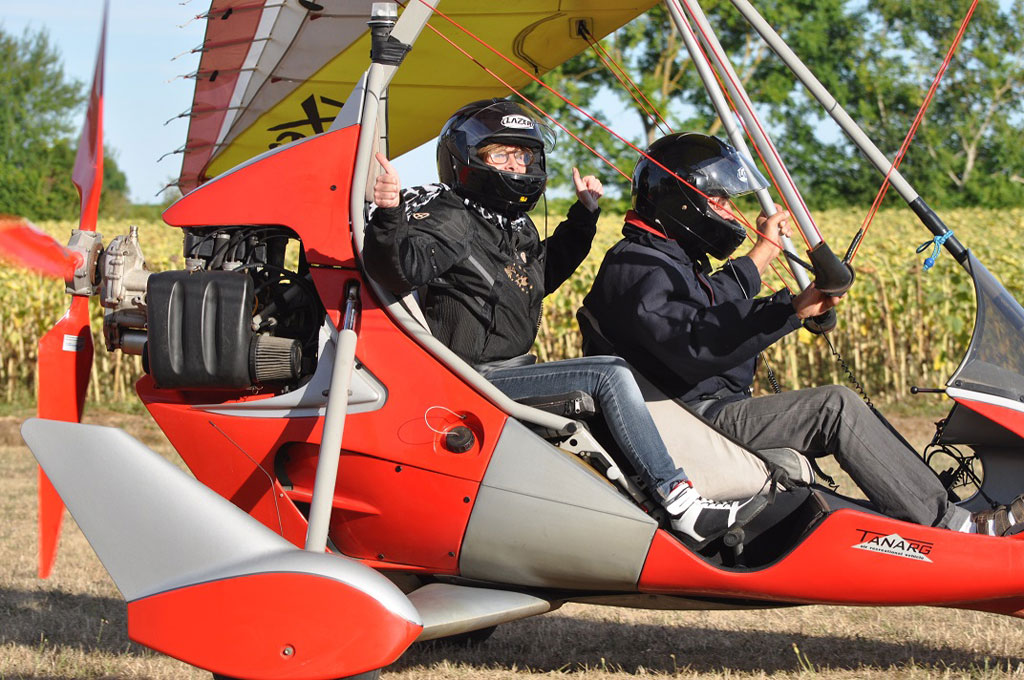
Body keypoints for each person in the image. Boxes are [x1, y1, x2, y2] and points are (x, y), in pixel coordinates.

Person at [364, 99, 767, 546]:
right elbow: (399, 269)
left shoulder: (510, 225)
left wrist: (583, 216)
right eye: (501, 154)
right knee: (608, 373)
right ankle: (680, 502)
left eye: (523, 155)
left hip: (508, 372)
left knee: (608, 379)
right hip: (469, 380)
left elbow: (538, 278)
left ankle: (640, 503)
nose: (516, 165)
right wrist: (388, 216)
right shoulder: (452, 216)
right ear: (467, 160)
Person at [581, 131, 1024, 536]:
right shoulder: (636, 265)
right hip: (691, 421)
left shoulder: (661, 258)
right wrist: (790, 310)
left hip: (701, 411)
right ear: (683, 202)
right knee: (833, 407)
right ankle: (957, 527)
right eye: (720, 201)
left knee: (831, 410)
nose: (730, 212)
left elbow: (713, 301)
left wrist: (765, 252)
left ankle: (925, 516)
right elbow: (693, 340)